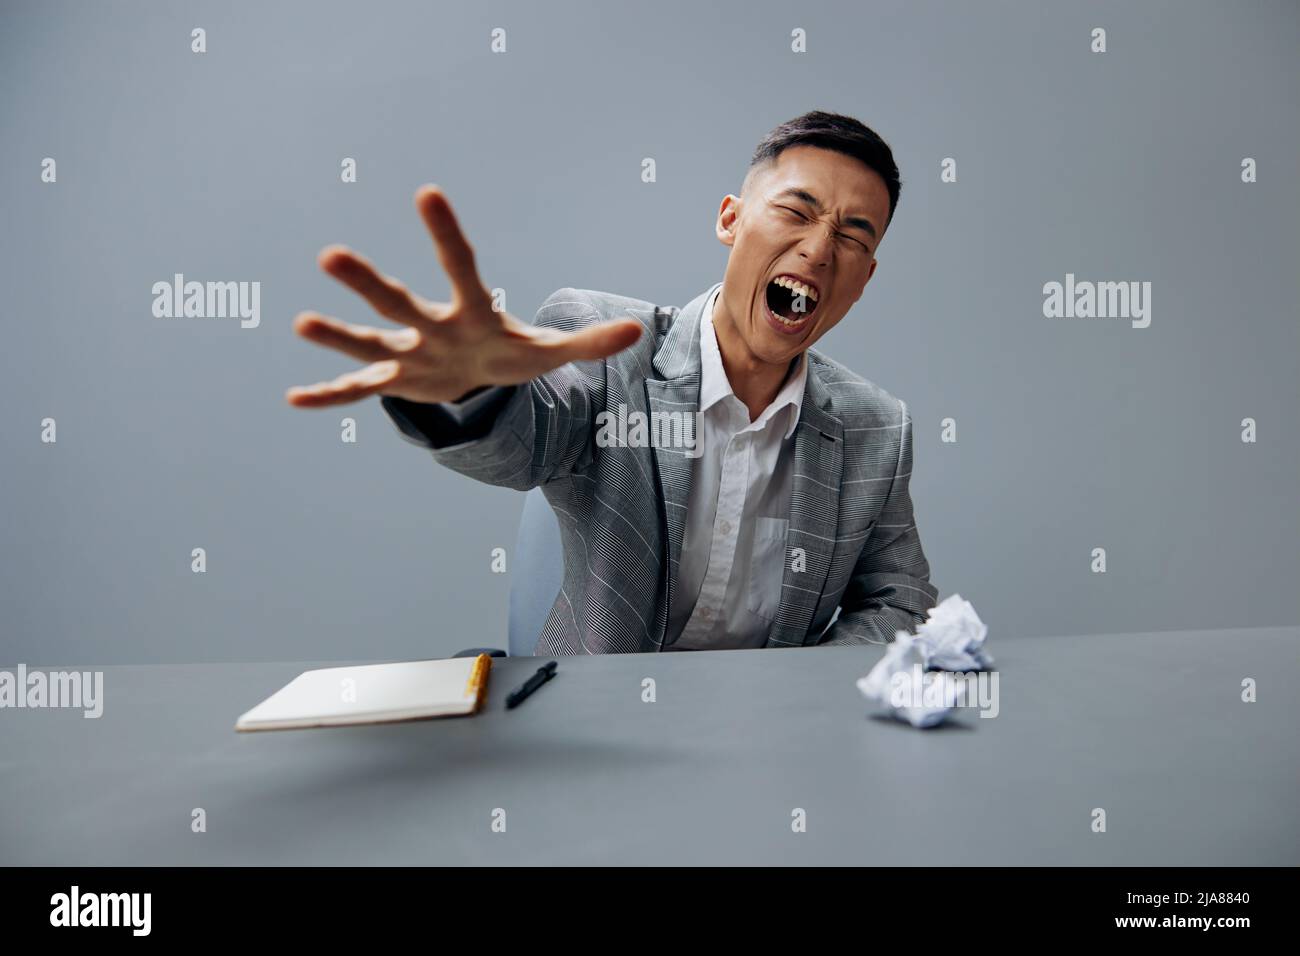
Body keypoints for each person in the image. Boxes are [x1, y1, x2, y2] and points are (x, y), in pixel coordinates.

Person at [287, 111, 940, 654]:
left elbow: (899, 600)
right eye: (798, 211)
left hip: (769, 749)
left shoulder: (876, 426)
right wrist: (464, 391)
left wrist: (798, 697)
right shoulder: (606, 343)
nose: (821, 250)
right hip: (601, 738)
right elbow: (524, 442)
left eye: (853, 237)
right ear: (730, 220)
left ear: (865, 279)